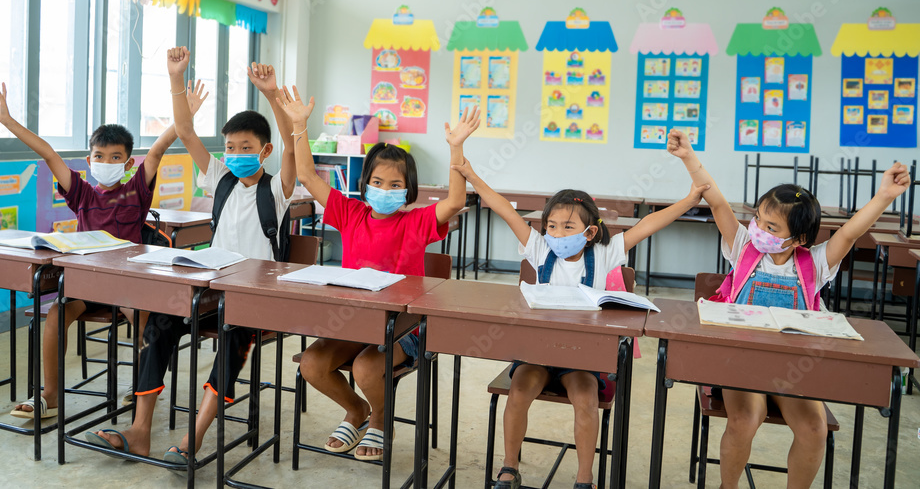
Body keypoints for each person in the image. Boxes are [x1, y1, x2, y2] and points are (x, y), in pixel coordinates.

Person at [667, 127, 911, 489]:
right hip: (741, 360)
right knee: (746, 419)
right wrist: (689, 157)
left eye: (771, 226)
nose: (759, 229)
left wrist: (884, 196)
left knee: (813, 428)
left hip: (794, 369)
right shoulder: (742, 246)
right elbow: (716, 201)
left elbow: (848, 233)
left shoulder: (815, 263)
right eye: (759, 219)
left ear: (798, 239)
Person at [87, 49, 296, 469]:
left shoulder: (278, 188)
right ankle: (139, 430)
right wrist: (175, 77)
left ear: (265, 149)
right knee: (161, 323)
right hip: (209, 290)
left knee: (233, 335)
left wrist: (273, 97)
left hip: (254, 300)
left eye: (246, 147)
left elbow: (293, 143)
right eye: (230, 146)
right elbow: (184, 129)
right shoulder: (219, 178)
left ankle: (195, 435)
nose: (235, 153)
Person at [452, 156, 707, 489]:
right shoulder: (539, 249)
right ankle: (509, 467)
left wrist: (689, 200)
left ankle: (584, 479)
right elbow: (503, 208)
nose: (557, 234)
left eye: (568, 227)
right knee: (518, 392)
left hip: (582, 357)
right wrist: (471, 175)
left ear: (590, 232)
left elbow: (649, 224)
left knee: (586, 400)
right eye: (552, 226)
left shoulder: (605, 254)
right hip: (537, 354)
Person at [278, 84, 479, 461]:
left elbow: (454, 201)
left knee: (367, 367)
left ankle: (381, 422)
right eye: (377, 182)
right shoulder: (351, 213)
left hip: (406, 328)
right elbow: (306, 174)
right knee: (312, 364)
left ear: (409, 191)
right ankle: (357, 411)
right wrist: (299, 126)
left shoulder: (417, 222)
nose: (385, 190)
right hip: (356, 321)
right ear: (364, 184)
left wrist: (456, 147)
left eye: (396, 185)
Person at [0, 81, 206, 419]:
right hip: (87, 286)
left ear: (128, 162)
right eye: (99, 156)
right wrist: (8, 122)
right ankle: (50, 394)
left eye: (115, 157)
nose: (106, 162)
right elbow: (48, 152)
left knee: (143, 317)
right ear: (89, 160)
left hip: (128, 286)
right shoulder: (82, 193)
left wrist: (184, 115)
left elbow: (159, 149)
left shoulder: (136, 190)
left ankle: (142, 389)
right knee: (57, 314)